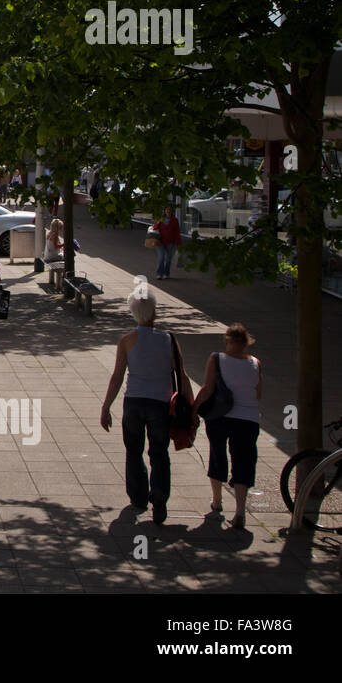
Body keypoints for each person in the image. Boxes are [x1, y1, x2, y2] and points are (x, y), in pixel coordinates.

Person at [100, 288, 192, 525]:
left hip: (134, 402)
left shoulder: (127, 341)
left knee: (133, 450)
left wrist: (106, 406)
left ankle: (138, 497)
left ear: (133, 313)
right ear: (154, 312)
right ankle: (159, 494)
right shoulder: (169, 340)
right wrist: (191, 407)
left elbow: (117, 376)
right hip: (160, 403)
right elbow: (181, 375)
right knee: (159, 452)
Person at [193, 324, 261, 529]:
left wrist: (193, 408)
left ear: (227, 341)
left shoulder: (216, 359)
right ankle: (240, 510)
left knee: (218, 454)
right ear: (246, 342)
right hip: (248, 418)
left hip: (220, 416)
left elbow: (207, 389)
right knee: (243, 461)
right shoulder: (256, 362)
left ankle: (217, 501)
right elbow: (259, 393)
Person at [152, 206, 180, 279]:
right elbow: (154, 228)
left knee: (168, 259)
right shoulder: (160, 219)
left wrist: (178, 242)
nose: (168, 212)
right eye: (167, 210)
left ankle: (166, 273)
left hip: (170, 242)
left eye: (169, 210)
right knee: (161, 257)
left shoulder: (174, 220)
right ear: (164, 211)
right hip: (160, 241)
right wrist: (157, 223)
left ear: (172, 212)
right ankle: (159, 273)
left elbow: (177, 231)